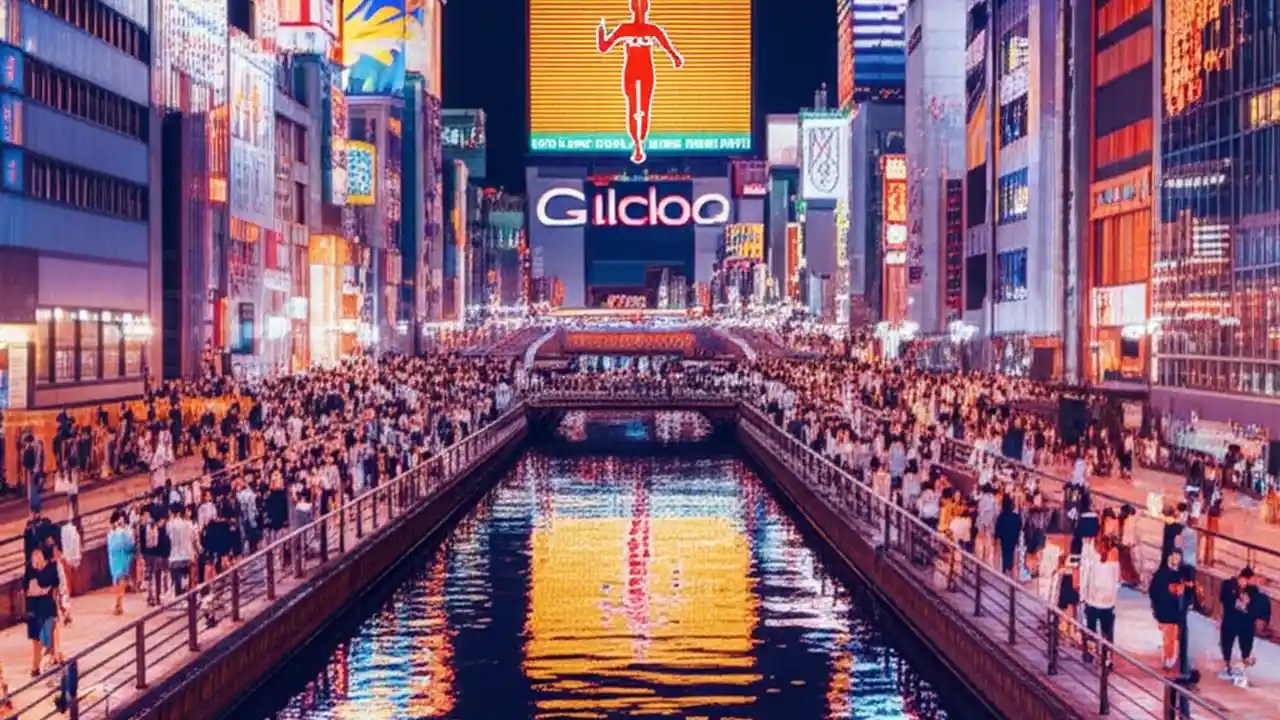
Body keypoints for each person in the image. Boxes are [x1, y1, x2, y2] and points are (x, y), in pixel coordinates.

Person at [595, 0, 684, 164]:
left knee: (644, 105)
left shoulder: (653, 29)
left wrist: (675, 58)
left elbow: (668, 48)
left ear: (647, 8)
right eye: (637, 5)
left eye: (643, 5)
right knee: (633, 105)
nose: (640, 9)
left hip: (646, 72)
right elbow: (604, 47)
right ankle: (636, 143)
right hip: (631, 72)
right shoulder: (625, 28)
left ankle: (640, 140)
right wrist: (601, 31)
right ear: (632, 8)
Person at [1218, 567, 1270, 682]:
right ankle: (1227, 664)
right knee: (1226, 643)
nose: (1246, 584)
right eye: (1245, 580)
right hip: (1230, 620)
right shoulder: (1229, 585)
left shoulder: (1254, 592)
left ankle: (1244, 663)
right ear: (1240, 578)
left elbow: (1258, 607)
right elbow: (1223, 600)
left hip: (1244, 624)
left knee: (1246, 646)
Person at [1081, 536, 1120, 664]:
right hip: (1108, 603)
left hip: (1093, 601)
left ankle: (1090, 655)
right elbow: (1117, 582)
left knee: (1091, 629)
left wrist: (1083, 596)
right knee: (1107, 632)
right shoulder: (1115, 564)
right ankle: (1107, 657)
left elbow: (1086, 578)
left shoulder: (1093, 562)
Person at [1149, 549, 1188, 671]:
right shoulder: (1161, 575)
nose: (1175, 560)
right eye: (1173, 557)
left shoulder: (1182, 575)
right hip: (1165, 611)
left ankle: (1169, 658)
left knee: (1171, 635)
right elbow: (1154, 591)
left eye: (1177, 558)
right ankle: (1168, 658)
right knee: (1168, 635)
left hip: (1175, 611)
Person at [106, 510, 135, 615]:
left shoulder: (110, 533)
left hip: (113, 560)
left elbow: (109, 548)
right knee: (122, 582)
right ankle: (118, 604)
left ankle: (118, 604)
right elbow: (128, 545)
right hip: (122, 558)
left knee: (118, 581)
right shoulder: (123, 532)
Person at [994, 495, 1022, 577]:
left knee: (1005, 553)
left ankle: (1005, 569)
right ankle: (1010, 569)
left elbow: (998, 528)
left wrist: (996, 537)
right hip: (1013, 538)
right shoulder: (1016, 517)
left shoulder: (1001, 516)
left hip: (1004, 538)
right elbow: (1019, 526)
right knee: (1011, 553)